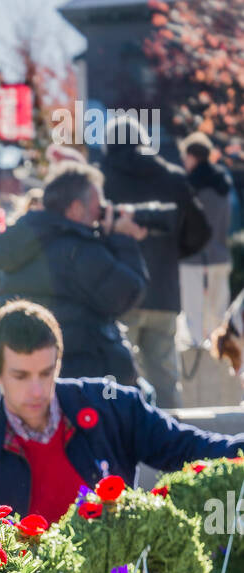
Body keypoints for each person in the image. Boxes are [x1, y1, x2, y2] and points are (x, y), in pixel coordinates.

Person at [0, 299, 244, 517]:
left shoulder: (113, 404)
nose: (37, 390)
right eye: (21, 376)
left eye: (46, 372)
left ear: (59, 362)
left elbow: (190, 449)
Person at [0, 162, 149, 384]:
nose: (102, 213)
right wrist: (123, 239)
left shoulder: (22, 242)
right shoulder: (80, 249)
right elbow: (127, 294)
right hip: (88, 381)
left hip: (35, 377)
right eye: (98, 206)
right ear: (75, 208)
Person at [103, 114, 211, 407]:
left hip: (118, 295)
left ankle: (124, 448)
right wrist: (174, 252)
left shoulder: (100, 180)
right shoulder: (173, 178)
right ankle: (171, 448)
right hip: (164, 292)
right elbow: (201, 231)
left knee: (118, 380)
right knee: (164, 377)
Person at [179, 132, 233, 349]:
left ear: (191, 156)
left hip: (193, 258)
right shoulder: (225, 184)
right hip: (220, 256)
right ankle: (219, 360)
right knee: (218, 318)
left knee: (193, 317)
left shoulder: (188, 185)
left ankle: (197, 361)